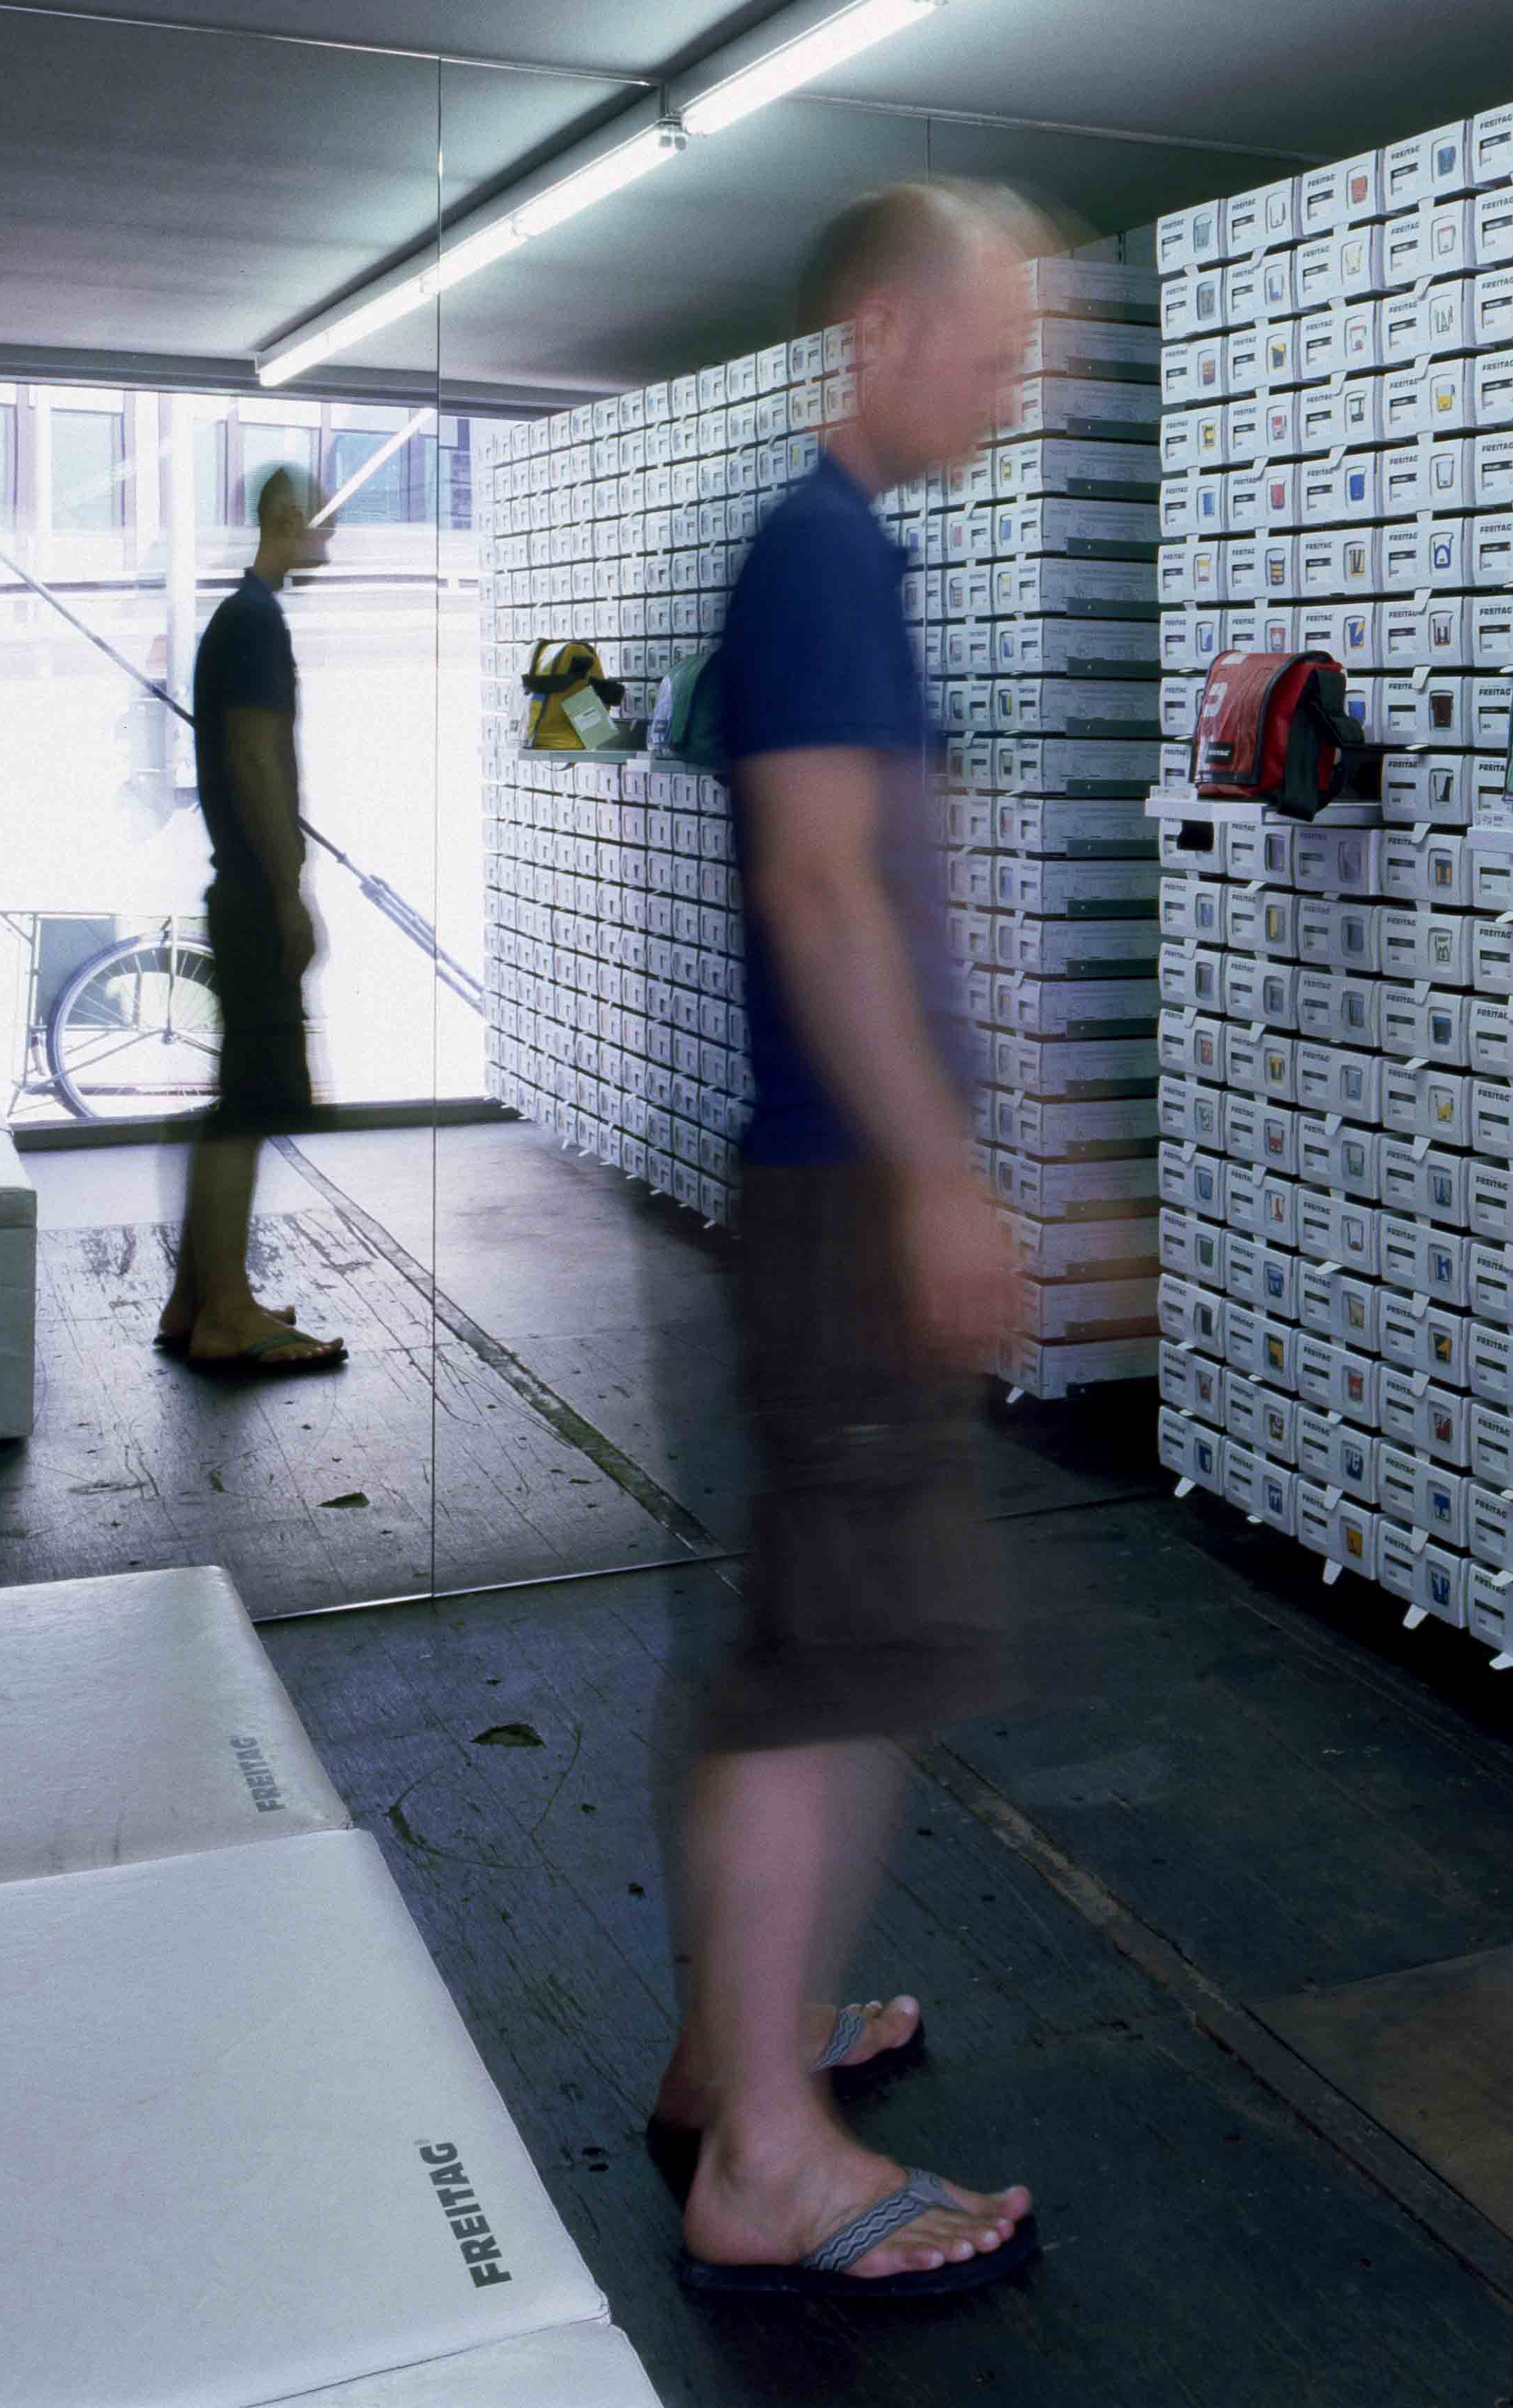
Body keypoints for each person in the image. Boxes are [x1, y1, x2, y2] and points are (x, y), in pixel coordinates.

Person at [655, 181, 1041, 2300]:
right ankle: (769, 2160)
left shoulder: (845, 553)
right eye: (990, 347)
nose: (1012, 388)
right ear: (882, 329)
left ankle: (742, 2047)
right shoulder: (816, 553)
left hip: (829, 1180)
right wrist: (932, 1178)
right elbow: (820, 890)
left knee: (821, 1644)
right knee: (834, 1671)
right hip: (837, 1191)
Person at [158, 461, 347, 1372]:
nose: (332, 533)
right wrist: (287, 892)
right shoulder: (255, 621)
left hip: (238, 885)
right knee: (248, 1103)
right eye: (323, 517)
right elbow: (255, 758)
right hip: (250, 891)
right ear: (282, 517)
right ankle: (227, 1311)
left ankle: (196, 1300)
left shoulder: (244, 617)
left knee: (238, 1095)